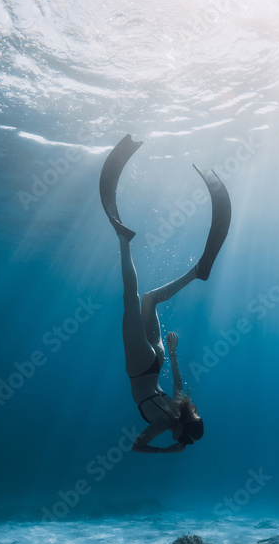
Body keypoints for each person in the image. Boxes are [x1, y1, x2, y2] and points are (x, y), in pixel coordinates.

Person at [99, 134, 231, 453]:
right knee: (132, 298)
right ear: (182, 431)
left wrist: (172, 354)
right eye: (182, 438)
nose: (179, 441)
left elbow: (179, 386)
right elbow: (137, 447)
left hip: (157, 363)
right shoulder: (164, 423)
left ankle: (195, 272)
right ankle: (123, 240)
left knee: (148, 300)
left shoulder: (177, 409)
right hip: (140, 368)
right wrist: (166, 451)